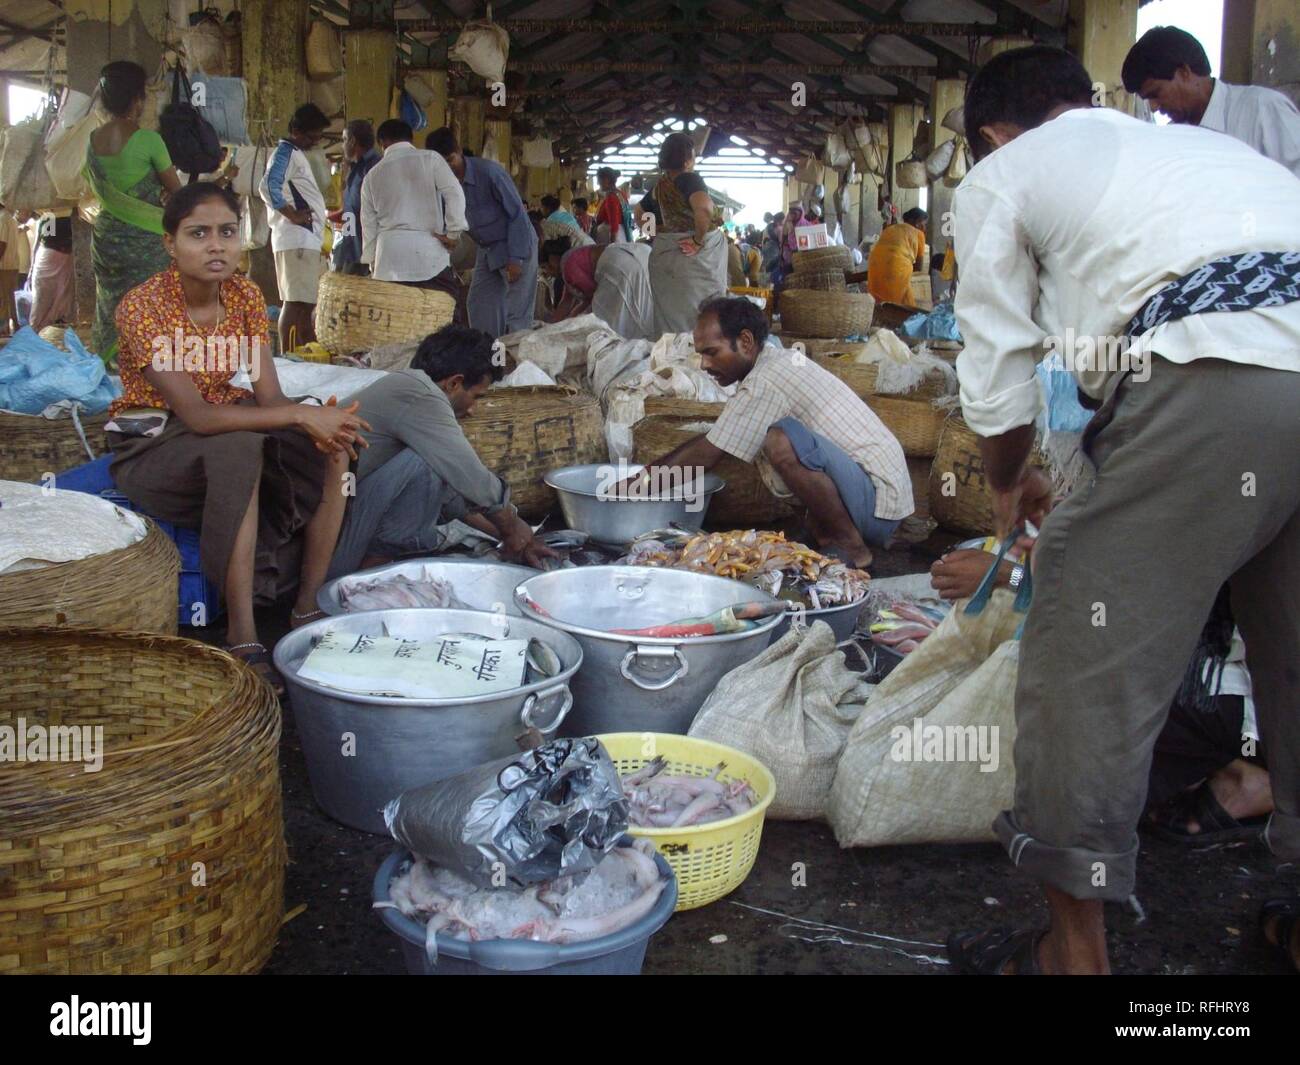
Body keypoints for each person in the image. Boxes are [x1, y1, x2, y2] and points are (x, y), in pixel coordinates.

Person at [944, 45, 1300, 975]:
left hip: (1218, 382)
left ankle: (1073, 956)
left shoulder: (1004, 175)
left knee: (1081, 656)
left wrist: (1005, 485)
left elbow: (995, 380)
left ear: (990, 133)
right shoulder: (1199, 152)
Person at [105, 183, 366, 694]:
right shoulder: (142, 309)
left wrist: (316, 422)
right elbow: (198, 416)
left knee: (336, 445)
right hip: (155, 441)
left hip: (229, 422)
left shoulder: (245, 297)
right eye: (197, 234)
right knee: (241, 448)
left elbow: (268, 396)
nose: (216, 246)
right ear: (170, 245)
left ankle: (305, 604)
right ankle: (242, 633)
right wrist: (295, 416)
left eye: (227, 232)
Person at [634, 297, 912, 569]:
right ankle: (823, 533)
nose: (704, 365)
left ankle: (852, 546)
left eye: (712, 352)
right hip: (875, 496)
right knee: (783, 437)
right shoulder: (778, 361)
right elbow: (720, 435)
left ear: (745, 342)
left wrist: (636, 487)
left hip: (879, 504)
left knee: (782, 440)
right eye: (701, 354)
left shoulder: (766, 379)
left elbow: (707, 453)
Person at [329, 324, 559, 578]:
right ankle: (372, 575)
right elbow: (473, 479)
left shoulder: (407, 390)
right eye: (476, 396)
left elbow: (455, 500)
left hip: (340, 516)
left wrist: (520, 538)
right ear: (454, 383)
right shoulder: (421, 394)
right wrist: (512, 527)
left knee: (431, 467)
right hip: (330, 537)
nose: (472, 410)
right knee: (424, 463)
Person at [86, 60, 183, 366]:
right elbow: (178, 192)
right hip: (146, 242)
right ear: (138, 99)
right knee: (151, 304)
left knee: (109, 301)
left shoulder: (92, 140)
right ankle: (149, 367)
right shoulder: (149, 140)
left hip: (106, 240)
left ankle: (110, 362)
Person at [1122, 25, 1300, 179]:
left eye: (1156, 94)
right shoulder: (1175, 137)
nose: (1153, 108)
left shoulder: (1261, 109)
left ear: (1184, 72)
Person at [426, 127, 538, 338]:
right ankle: (487, 356)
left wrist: (516, 259)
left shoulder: (490, 173)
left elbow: (517, 216)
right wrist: (450, 239)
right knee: (479, 302)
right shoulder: (442, 185)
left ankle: (520, 366)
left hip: (516, 244)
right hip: (488, 250)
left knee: (517, 314)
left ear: (459, 151)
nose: (448, 168)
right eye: (441, 164)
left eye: (451, 160)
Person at [360, 119, 468, 323]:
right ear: (411, 138)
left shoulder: (371, 176)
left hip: (389, 259)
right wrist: (454, 233)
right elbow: (454, 193)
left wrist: (373, 264)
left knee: (396, 325)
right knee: (443, 317)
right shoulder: (430, 159)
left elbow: (368, 226)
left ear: (381, 143)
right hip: (428, 255)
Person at [635, 131, 727, 336]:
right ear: (687, 160)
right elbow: (703, 209)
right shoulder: (690, 180)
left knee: (672, 318)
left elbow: (638, 213)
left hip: (666, 258)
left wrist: (657, 232)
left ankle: (670, 359)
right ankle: (699, 358)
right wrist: (697, 240)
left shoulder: (660, 187)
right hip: (694, 259)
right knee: (701, 313)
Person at [259, 103, 330, 353]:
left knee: (304, 304)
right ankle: (289, 357)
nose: (315, 141)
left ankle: (303, 352)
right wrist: (293, 215)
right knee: (295, 303)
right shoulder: (285, 153)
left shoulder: (295, 154)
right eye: (312, 136)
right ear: (295, 130)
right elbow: (267, 187)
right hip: (296, 239)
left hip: (304, 239)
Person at [540, 235, 654, 340]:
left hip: (620, 266)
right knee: (644, 310)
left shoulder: (568, 266)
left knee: (608, 329)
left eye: (545, 267)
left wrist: (561, 326)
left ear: (552, 259)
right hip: (640, 253)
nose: (546, 273)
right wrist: (558, 325)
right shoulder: (572, 259)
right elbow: (566, 303)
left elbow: (590, 299)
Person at [328, 119, 381, 275]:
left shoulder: (374, 167)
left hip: (364, 247)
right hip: (348, 243)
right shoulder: (354, 167)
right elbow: (353, 204)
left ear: (353, 141)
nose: (342, 145)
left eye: (344, 140)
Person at [867, 207, 927, 306]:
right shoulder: (918, 234)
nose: (925, 228)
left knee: (879, 302)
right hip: (895, 267)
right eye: (924, 224)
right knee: (899, 306)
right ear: (917, 222)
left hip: (874, 266)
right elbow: (918, 267)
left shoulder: (890, 228)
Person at [27, 213, 75, 331]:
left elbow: (39, 242)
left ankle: (43, 328)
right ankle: (38, 329)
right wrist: (31, 267)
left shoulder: (52, 216)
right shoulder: (50, 216)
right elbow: (39, 241)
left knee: (57, 295)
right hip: (53, 257)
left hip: (60, 257)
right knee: (47, 296)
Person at [594, 167, 632, 243]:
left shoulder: (611, 198)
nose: (598, 183)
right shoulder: (620, 194)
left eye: (599, 180)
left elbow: (614, 224)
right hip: (623, 233)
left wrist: (612, 244)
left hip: (613, 236)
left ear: (606, 180)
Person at [0, 205, 20, 334]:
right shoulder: (11, 217)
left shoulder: (2, 219)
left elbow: (2, 244)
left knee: (3, 300)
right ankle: (15, 327)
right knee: (10, 299)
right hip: (12, 264)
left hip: (3, 266)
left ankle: (3, 329)